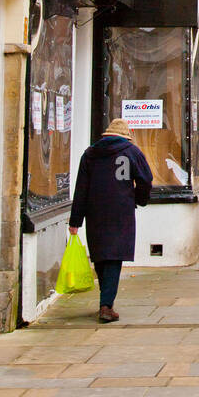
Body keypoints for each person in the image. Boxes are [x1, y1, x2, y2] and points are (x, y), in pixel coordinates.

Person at [68, 117, 152, 324]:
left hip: (95, 211)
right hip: (120, 211)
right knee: (114, 257)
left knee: (100, 256)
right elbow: (146, 179)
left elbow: (81, 189)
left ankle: (105, 300)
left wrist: (75, 221)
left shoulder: (90, 154)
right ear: (125, 136)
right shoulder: (132, 152)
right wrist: (139, 198)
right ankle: (106, 305)